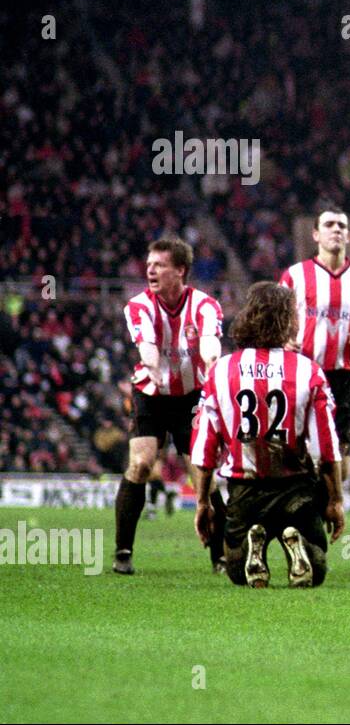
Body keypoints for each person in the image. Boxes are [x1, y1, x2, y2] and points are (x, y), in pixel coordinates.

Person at [192, 282, 345, 588]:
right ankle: (298, 540)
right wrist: (335, 500)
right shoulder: (308, 371)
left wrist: (202, 503)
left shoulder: (221, 371)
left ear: (248, 316)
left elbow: (205, 448)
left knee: (237, 572)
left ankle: (252, 546)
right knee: (316, 570)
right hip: (295, 491)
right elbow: (326, 449)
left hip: (244, 491)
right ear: (289, 321)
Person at [114, 237, 225, 575]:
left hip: (191, 396)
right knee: (142, 462)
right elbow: (147, 347)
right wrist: (154, 370)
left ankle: (220, 556)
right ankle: (123, 551)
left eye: (159, 265)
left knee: (202, 476)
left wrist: (211, 362)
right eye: (149, 264)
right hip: (150, 392)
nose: (150, 269)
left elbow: (210, 344)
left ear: (180, 271)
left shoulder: (205, 305)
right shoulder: (138, 306)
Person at [279, 206, 350, 483]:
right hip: (301, 372)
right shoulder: (295, 275)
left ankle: (330, 510)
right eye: (329, 225)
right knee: (297, 446)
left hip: (342, 375)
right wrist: (283, 340)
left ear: (349, 236)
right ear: (316, 234)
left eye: (342, 226)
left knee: (338, 454)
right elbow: (274, 321)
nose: (337, 230)